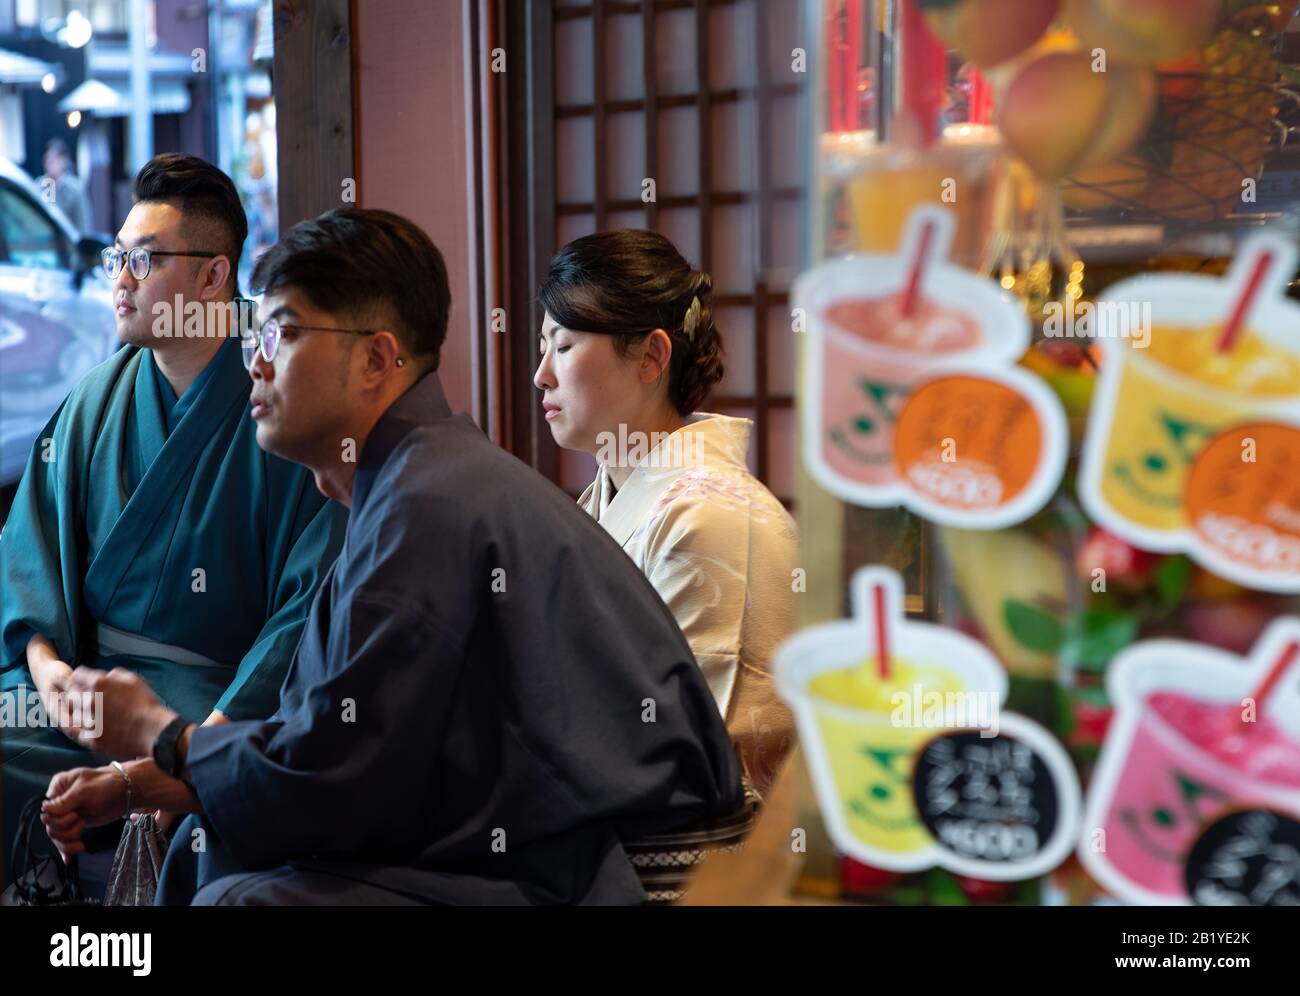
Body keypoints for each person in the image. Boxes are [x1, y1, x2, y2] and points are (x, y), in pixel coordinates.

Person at [40, 207, 743, 906]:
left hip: (601, 871)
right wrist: (153, 777)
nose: (254, 362)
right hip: (522, 838)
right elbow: (353, 744)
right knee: (204, 846)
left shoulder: (428, 502)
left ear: (376, 359)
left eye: (282, 334)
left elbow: (338, 779)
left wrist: (160, 733)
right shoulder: (411, 483)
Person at [0, 154, 347, 874]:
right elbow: (26, 560)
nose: (119, 279)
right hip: (81, 694)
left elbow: (304, 614)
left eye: (143, 260)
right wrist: (47, 671)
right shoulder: (95, 402)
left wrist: (185, 755)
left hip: (212, 706)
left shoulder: (281, 411)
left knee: (223, 806)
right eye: (116, 257)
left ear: (214, 276)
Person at [533, 230, 798, 795]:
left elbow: (682, 751)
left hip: (705, 864)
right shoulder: (606, 504)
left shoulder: (711, 516)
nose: (542, 375)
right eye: (542, 348)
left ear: (651, 356)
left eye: (564, 345)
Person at [40, 138, 90, 233]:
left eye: (54, 159)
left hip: (69, 241)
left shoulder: (75, 188)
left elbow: (83, 223)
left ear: (64, 161)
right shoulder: (40, 185)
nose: (50, 163)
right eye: (47, 159)